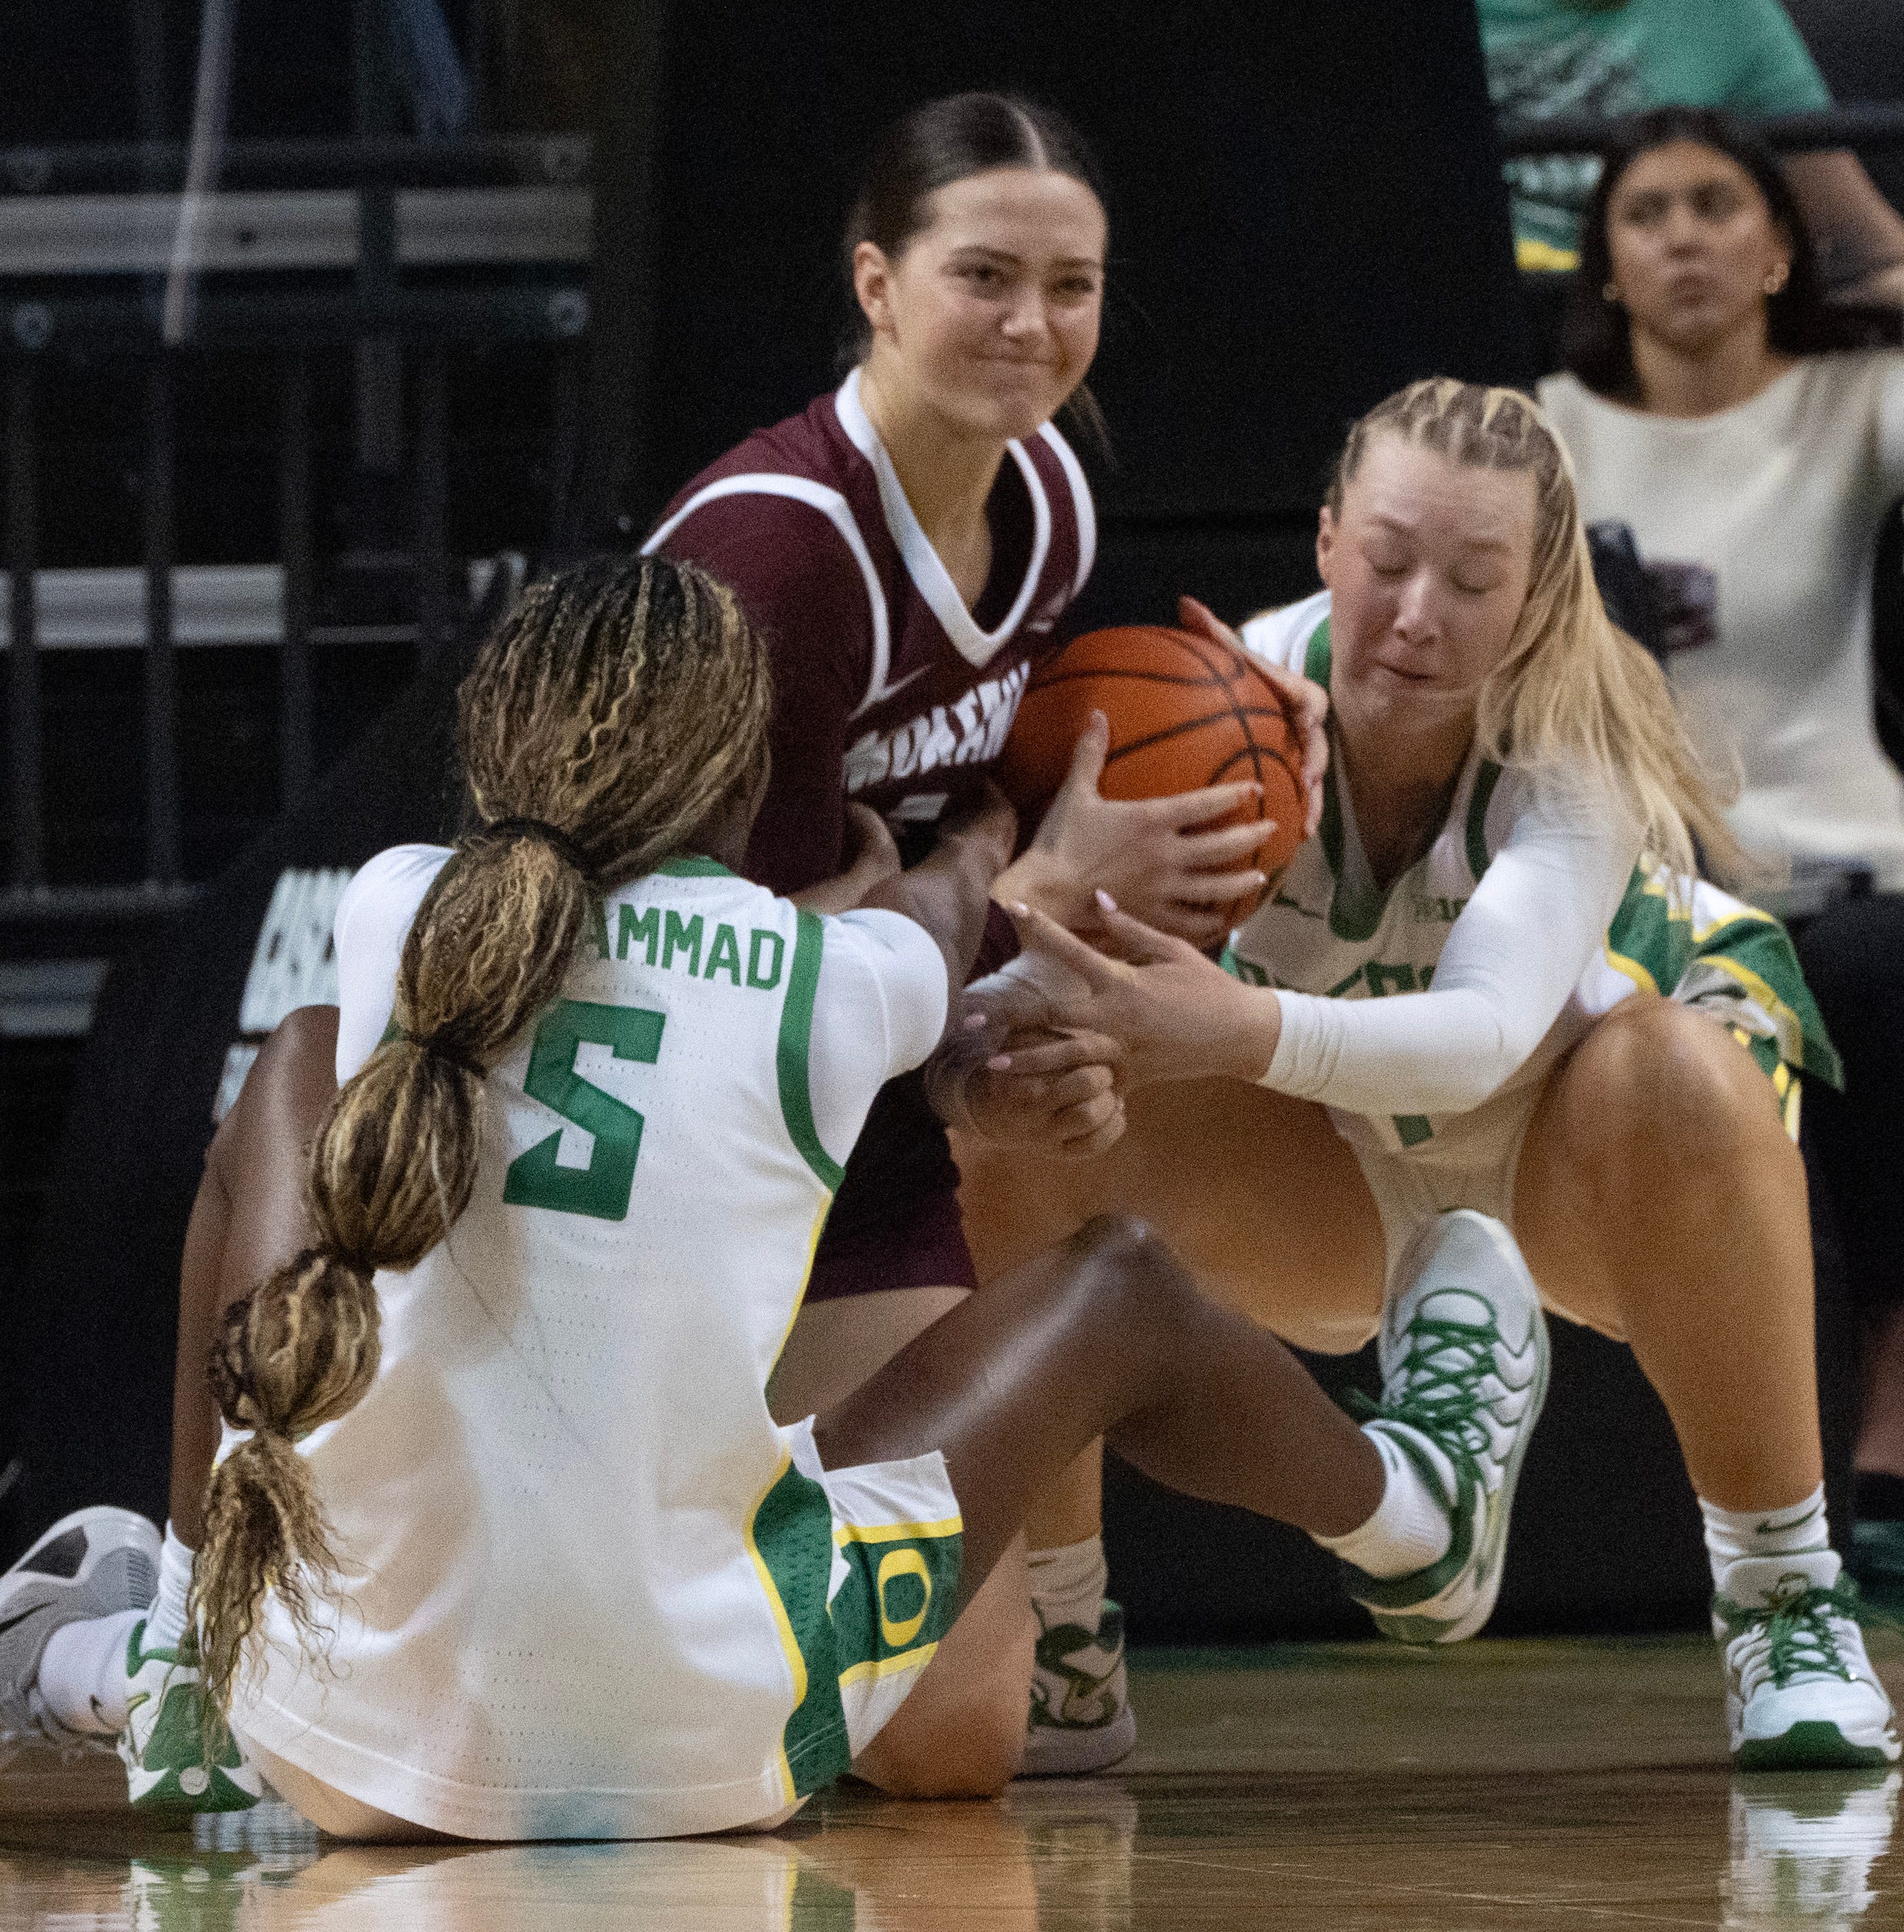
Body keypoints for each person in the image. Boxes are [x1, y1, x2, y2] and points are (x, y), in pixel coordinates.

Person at [0, 554, 1524, 1841]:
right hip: (694, 1754)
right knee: (1117, 1286)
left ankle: (190, 1645)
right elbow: (948, 913)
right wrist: (992, 827)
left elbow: (591, 963)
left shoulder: (400, 902)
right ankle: (1414, 1519)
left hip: (333, 1741)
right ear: (745, 775)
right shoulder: (829, 984)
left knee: (296, 1067)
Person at [949, 376, 1900, 1770]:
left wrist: (1228, 1026)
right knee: (1024, 1103)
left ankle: (1783, 1600)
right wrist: (1039, 942)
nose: (1414, 613)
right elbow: (1004, 1020)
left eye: (1470, 578)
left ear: (1532, 594)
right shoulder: (1212, 713)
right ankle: (1065, 1641)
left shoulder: (1571, 740)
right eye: (1387, 561)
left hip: (1589, 1165)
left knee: (1680, 1068)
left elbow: (1482, 1038)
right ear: (1325, 538)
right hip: (1329, 1170)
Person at [638, 88, 1325, 1781]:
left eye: (1071, 286)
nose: (1031, 327)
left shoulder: (1049, 504)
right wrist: (1008, 908)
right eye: (983, 276)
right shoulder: (767, 559)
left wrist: (1058, 931)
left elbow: (973, 834)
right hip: (669, 1138)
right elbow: (713, 966)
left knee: (946, 1738)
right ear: (874, 280)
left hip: (850, 1144)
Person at [1537, 106, 1904, 1595]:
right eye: (1647, 213)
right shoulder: (1540, 420)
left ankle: (1880, 1448)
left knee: (1886, 998)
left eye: (1715, 208)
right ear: (1605, 261)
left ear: (1773, 250)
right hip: (1637, 871)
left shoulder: (1856, 395)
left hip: (1859, 861)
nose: (1683, 237)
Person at [1478, 0, 1904, 302]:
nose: (1683, 239)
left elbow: (1864, 253)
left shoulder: (1728, 14)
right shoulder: (1418, 28)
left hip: (1681, 361)